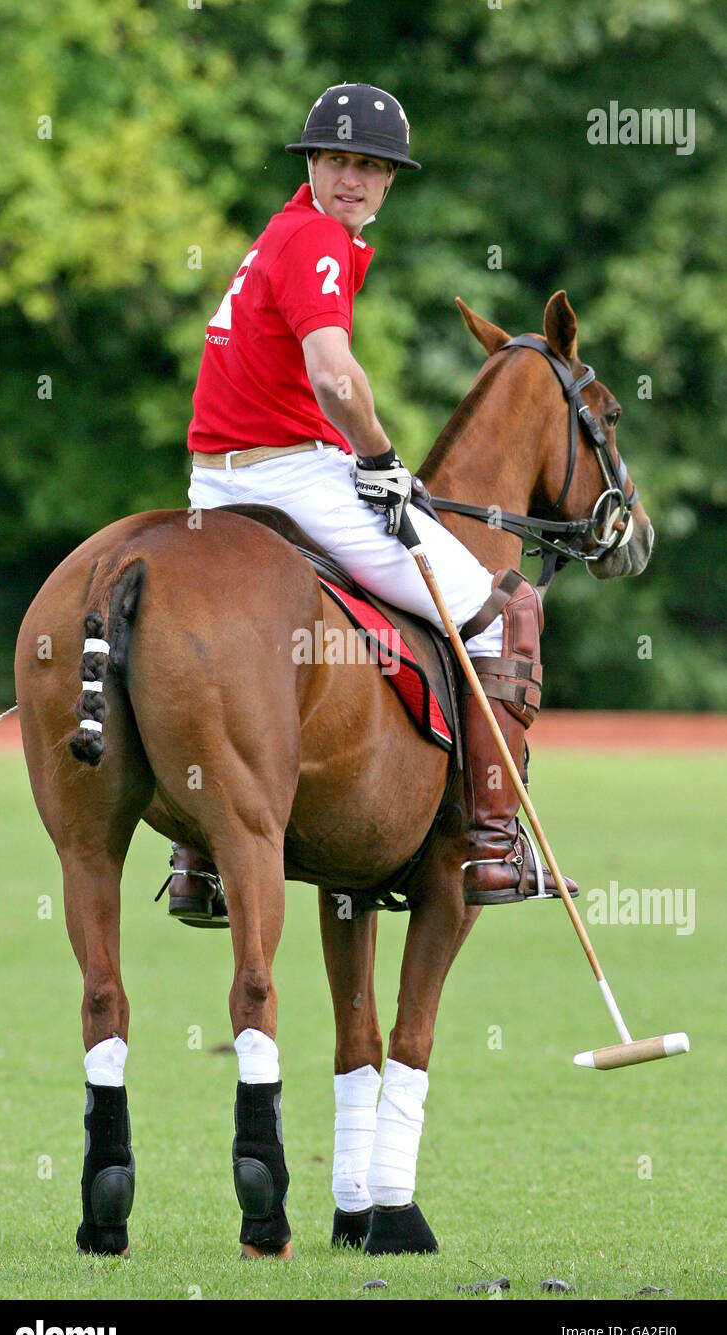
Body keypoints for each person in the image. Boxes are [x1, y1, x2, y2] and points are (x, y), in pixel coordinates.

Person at [165, 81, 576, 928]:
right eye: (338, 159)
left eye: (370, 165)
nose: (352, 177)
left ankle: (197, 854)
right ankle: (494, 841)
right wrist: (382, 458)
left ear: (390, 181)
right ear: (312, 163)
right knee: (505, 612)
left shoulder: (284, 232)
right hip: (288, 479)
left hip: (217, 481)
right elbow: (332, 373)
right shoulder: (317, 238)